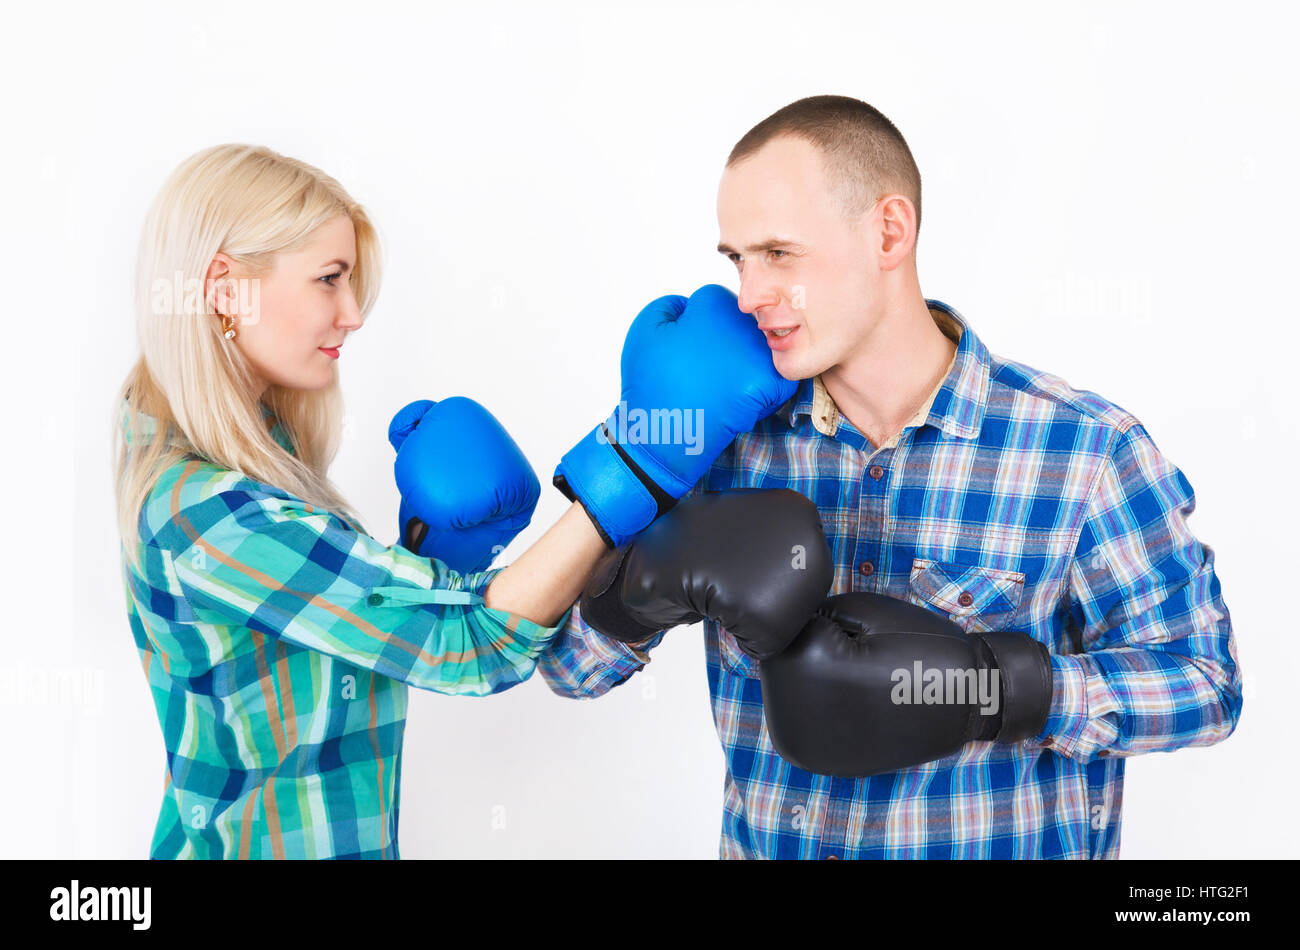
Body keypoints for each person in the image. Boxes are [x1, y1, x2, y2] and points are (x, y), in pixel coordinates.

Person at [538, 95, 1243, 859]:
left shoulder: (1083, 451)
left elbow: (1206, 684)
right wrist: (638, 595)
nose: (748, 296)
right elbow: (570, 671)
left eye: (778, 253)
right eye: (736, 259)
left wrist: (995, 690)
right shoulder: (725, 446)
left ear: (889, 231)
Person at [114, 144, 792, 858]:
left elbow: (315, 638)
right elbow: (472, 649)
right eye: (328, 279)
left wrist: (423, 560)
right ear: (228, 287)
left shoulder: (196, 439)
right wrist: (638, 461)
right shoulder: (208, 510)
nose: (352, 314)